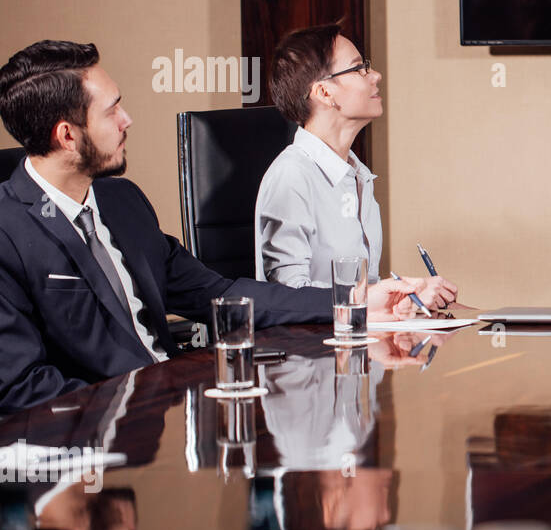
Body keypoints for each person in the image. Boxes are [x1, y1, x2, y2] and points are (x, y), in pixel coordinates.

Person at [0, 40, 437, 415]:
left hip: (175, 407)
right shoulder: (8, 232)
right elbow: (22, 388)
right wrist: (132, 411)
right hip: (103, 440)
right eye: (112, 110)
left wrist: (354, 300)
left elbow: (223, 295)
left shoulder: (122, 201)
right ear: (68, 135)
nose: (127, 119)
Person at [256, 22, 459, 303]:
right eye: (358, 69)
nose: (375, 75)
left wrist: (405, 299)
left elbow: (366, 292)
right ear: (324, 93)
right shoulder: (292, 175)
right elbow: (288, 296)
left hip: (354, 340)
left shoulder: (357, 174)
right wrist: (386, 297)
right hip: (308, 345)